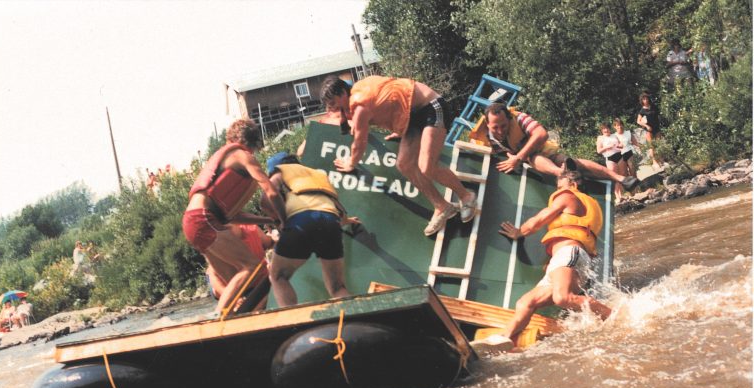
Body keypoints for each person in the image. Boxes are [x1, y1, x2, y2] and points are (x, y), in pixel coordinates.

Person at [320, 75, 478, 236]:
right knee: (404, 164)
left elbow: (360, 143)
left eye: (333, 103)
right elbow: (389, 100)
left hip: (430, 107)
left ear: (342, 93)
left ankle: (466, 196)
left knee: (427, 167)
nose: (332, 108)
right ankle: (442, 206)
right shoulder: (355, 96)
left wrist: (350, 163)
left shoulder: (359, 105)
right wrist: (399, 128)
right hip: (412, 117)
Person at [182, 118, 287, 316]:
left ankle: (231, 317)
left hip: (194, 221)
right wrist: (285, 221)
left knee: (237, 282)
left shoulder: (227, 158)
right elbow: (271, 192)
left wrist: (269, 220)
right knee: (251, 267)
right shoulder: (242, 155)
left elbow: (233, 216)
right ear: (252, 142)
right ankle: (218, 319)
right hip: (203, 220)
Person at [495, 170, 612, 346]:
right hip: (564, 259)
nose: (557, 192)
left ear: (573, 185)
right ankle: (504, 341)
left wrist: (519, 232)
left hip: (570, 253)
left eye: (559, 187)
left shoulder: (569, 196)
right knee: (526, 303)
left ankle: (614, 316)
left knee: (562, 298)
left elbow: (539, 220)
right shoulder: (587, 205)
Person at [262, 152, 357, 307]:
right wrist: (347, 221)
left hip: (301, 220)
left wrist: (281, 221)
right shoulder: (317, 175)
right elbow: (340, 211)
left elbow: (267, 200)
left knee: (278, 276)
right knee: (337, 287)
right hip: (330, 221)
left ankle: (292, 318)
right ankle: (355, 315)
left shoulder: (279, 173)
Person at [474, 103, 639, 191]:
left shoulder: (519, 118)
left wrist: (518, 157)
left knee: (565, 161)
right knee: (537, 158)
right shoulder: (482, 139)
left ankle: (621, 179)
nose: (500, 131)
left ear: (509, 119)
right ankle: (563, 171)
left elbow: (541, 134)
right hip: (526, 162)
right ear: (487, 124)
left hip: (537, 153)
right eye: (495, 128)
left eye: (503, 126)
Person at [596, 123, 625, 201]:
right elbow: (598, 151)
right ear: (602, 130)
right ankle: (617, 196)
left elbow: (621, 144)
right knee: (614, 177)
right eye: (604, 129)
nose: (606, 130)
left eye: (607, 128)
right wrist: (607, 147)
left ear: (610, 129)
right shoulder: (600, 138)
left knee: (621, 175)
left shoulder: (614, 135)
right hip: (610, 158)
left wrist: (620, 145)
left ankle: (622, 194)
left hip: (619, 156)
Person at [636, 92, 663, 170]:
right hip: (649, 130)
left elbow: (658, 115)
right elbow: (638, 121)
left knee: (659, 144)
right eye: (644, 99)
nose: (645, 100)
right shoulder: (642, 110)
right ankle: (654, 162)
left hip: (657, 128)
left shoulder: (653, 107)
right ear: (642, 100)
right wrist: (646, 126)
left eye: (646, 98)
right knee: (652, 146)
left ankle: (661, 160)